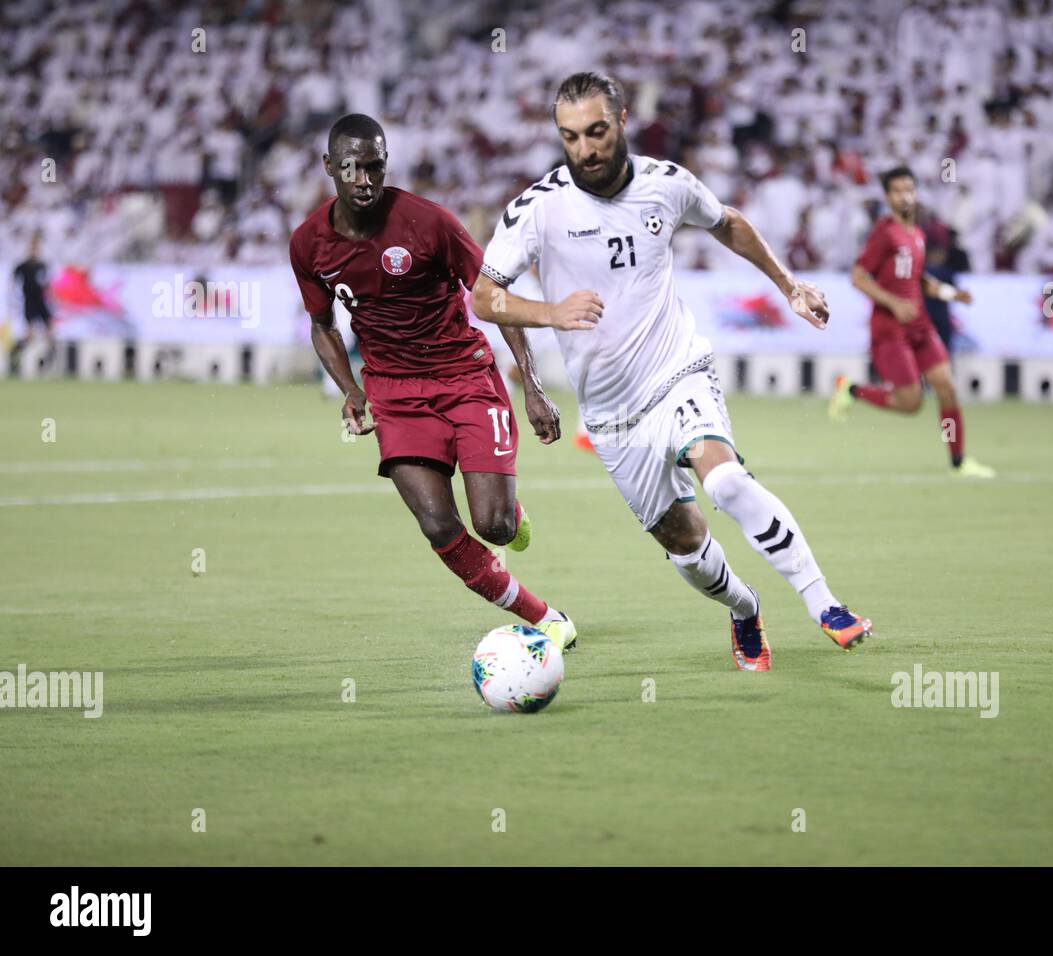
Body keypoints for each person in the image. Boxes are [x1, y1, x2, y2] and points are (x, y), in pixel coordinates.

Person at [470, 73, 871, 672]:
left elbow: (727, 221)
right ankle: (743, 608)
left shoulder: (666, 185)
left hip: (676, 368)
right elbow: (484, 297)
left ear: (623, 121)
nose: (586, 149)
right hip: (609, 415)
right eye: (571, 136)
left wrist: (789, 286)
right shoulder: (539, 208)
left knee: (726, 481)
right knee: (685, 545)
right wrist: (546, 331)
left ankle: (825, 605)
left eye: (597, 131)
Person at [288, 113, 576, 649]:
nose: (365, 180)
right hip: (393, 392)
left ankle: (509, 514)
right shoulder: (308, 244)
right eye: (351, 168)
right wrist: (351, 389)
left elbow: (495, 298)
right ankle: (545, 617)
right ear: (329, 166)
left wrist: (531, 384)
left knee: (493, 526)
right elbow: (322, 324)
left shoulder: (430, 223)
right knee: (438, 525)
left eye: (375, 167)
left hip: (465, 377)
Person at [829, 166, 995, 478]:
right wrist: (893, 302)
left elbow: (919, 279)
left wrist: (950, 294)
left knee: (947, 387)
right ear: (888, 196)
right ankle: (851, 390)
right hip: (890, 329)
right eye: (898, 191)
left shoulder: (918, 233)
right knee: (910, 402)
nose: (905, 196)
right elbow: (858, 277)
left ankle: (958, 461)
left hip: (920, 325)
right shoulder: (885, 232)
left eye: (909, 189)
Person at [11, 235, 55, 373]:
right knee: (30, 335)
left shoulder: (42, 265)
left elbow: (47, 284)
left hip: (40, 301)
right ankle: (14, 357)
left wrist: (52, 296)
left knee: (50, 331)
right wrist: (14, 300)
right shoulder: (22, 266)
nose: (34, 251)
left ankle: (48, 363)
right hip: (29, 301)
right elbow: (12, 284)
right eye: (32, 248)